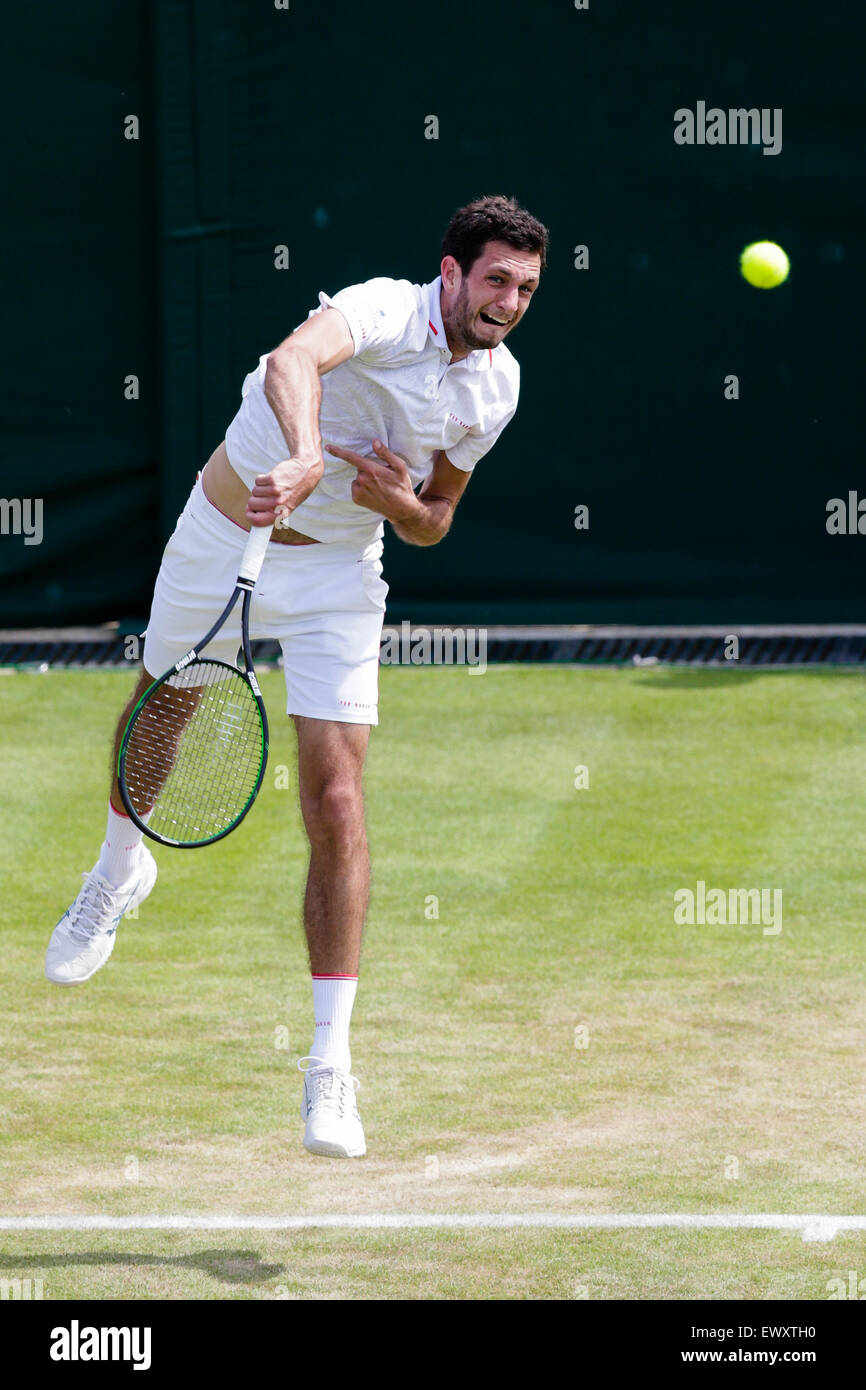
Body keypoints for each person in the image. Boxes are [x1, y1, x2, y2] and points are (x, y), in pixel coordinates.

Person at [45, 194, 548, 1158]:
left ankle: (330, 1062)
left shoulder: (497, 389)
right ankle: (117, 871)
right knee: (160, 720)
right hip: (225, 530)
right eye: (496, 280)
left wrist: (401, 502)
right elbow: (291, 360)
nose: (509, 301)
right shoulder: (381, 309)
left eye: (525, 287)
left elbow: (438, 517)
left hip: (340, 578)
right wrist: (309, 452)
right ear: (451, 272)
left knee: (339, 799)